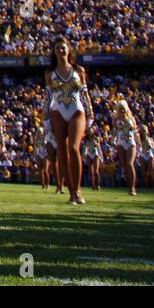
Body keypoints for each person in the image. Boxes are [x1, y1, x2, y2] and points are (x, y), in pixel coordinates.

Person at [43, 35, 93, 205]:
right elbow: (48, 97)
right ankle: (71, 192)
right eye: (57, 48)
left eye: (63, 47)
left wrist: (90, 114)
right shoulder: (50, 73)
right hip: (57, 110)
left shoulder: (79, 70)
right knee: (62, 152)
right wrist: (46, 118)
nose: (61, 50)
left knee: (73, 147)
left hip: (76, 110)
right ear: (54, 51)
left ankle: (78, 190)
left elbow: (85, 93)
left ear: (69, 49)